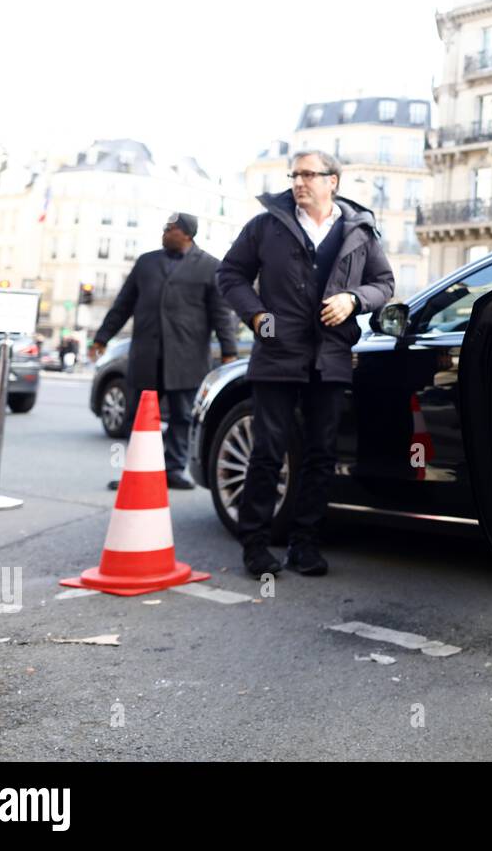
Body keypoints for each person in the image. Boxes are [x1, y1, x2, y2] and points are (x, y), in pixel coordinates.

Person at [216, 150, 394, 578]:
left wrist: (353, 299)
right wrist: (257, 318)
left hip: (330, 355)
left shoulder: (359, 230)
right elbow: (230, 274)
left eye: (309, 174)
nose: (299, 182)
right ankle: (255, 545)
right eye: (295, 174)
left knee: (321, 453)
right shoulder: (265, 226)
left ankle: (305, 544)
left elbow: (384, 283)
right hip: (277, 352)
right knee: (267, 451)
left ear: (333, 180)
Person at [92, 213, 238, 490]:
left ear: (186, 234)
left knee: (182, 417)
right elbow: (123, 304)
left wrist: (228, 352)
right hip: (146, 356)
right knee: (137, 417)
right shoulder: (146, 262)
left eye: (169, 229)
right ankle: (133, 470)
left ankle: (172, 470)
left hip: (187, 358)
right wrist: (101, 338)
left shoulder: (210, 267)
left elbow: (221, 314)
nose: (164, 232)